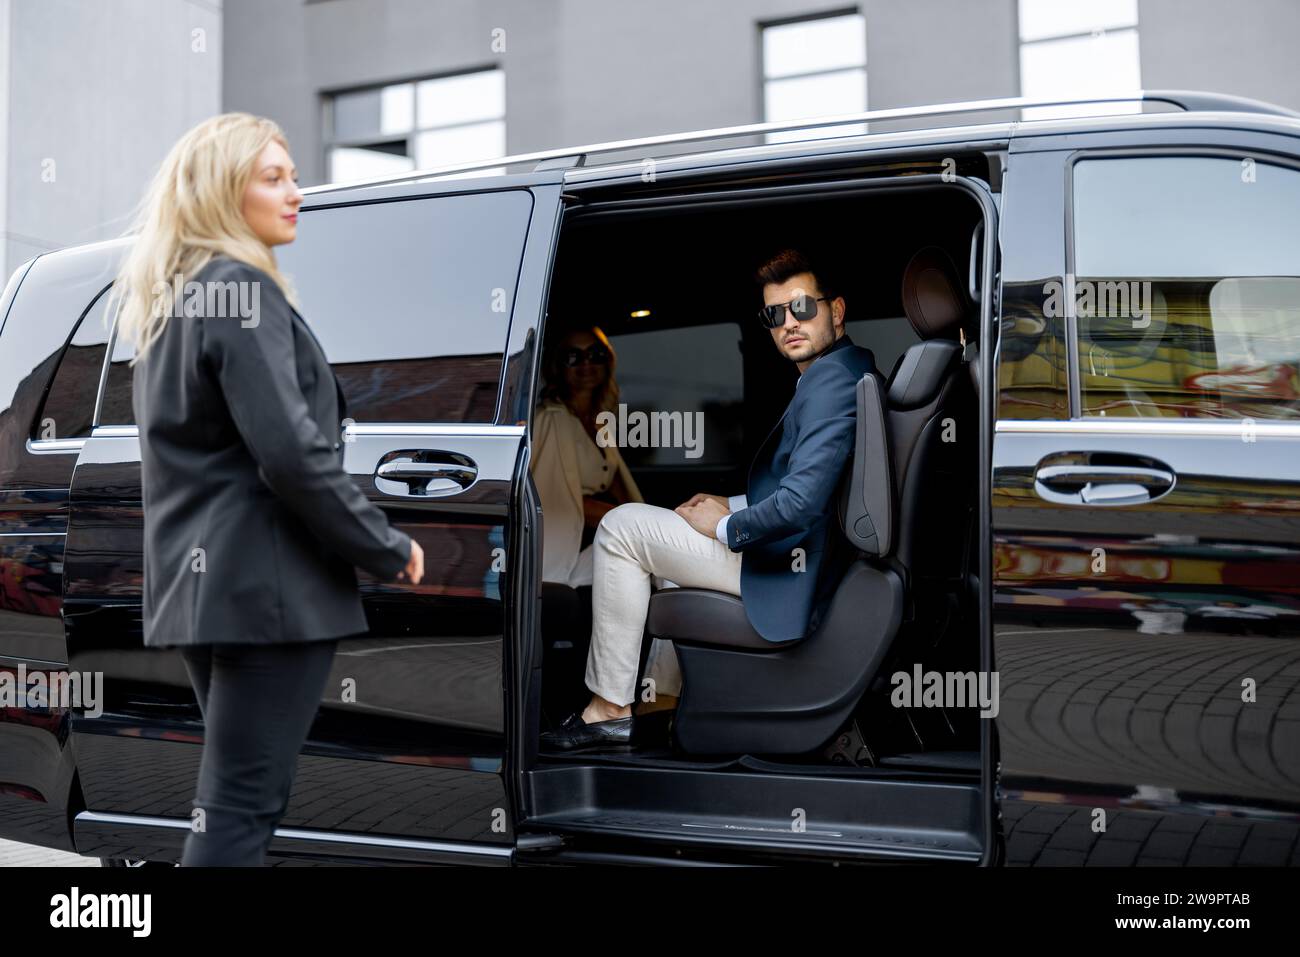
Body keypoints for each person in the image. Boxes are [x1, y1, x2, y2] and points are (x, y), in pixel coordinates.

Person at [112, 112, 424, 865]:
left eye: (293, 175)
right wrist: (384, 544)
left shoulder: (176, 298)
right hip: (266, 591)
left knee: (228, 807)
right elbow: (289, 452)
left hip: (207, 592)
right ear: (224, 191)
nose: (297, 192)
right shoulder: (240, 291)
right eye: (274, 177)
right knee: (240, 812)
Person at [540, 248, 876, 751]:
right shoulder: (845, 369)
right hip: (795, 555)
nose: (789, 322)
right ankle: (664, 704)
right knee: (668, 558)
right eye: (774, 314)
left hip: (790, 568)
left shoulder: (830, 381)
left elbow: (803, 502)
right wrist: (731, 500)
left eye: (803, 307)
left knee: (622, 529)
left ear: (837, 311)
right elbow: (805, 487)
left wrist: (725, 524)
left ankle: (608, 709)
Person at [529, 326, 683, 706]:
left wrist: (650, 518)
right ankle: (651, 695)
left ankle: (658, 691)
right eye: (573, 356)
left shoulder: (599, 419)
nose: (586, 364)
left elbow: (615, 482)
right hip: (559, 549)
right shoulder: (551, 418)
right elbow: (555, 500)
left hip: (596, 539)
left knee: (672, 568)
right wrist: (623, 521)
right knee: (664, 565)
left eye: (595, 354)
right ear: (557, 366)